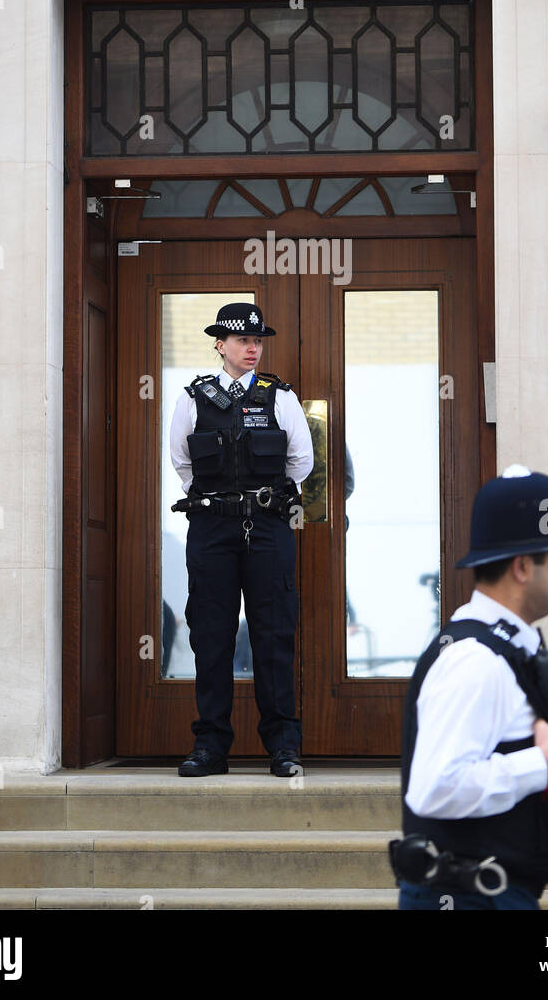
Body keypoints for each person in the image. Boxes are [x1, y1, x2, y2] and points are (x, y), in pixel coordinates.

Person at [392, 464, 548, 911]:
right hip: (470, 898)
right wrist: (544, 759)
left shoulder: (510, 646)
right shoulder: (475, 661)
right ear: (523, 567)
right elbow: (437, 788)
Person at [168, 301, 314, 778]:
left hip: (268, 526)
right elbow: (182, 461)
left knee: (273, 634)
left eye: (257, 341)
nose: (252, 349)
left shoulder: (280, 397)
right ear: (220, 345)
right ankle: (210, 746)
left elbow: (301, 460)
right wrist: (218, 501)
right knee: (211, 636)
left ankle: (283, 746)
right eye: (242, 341)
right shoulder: (193, 397)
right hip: (212, 528)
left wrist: (261, 499)